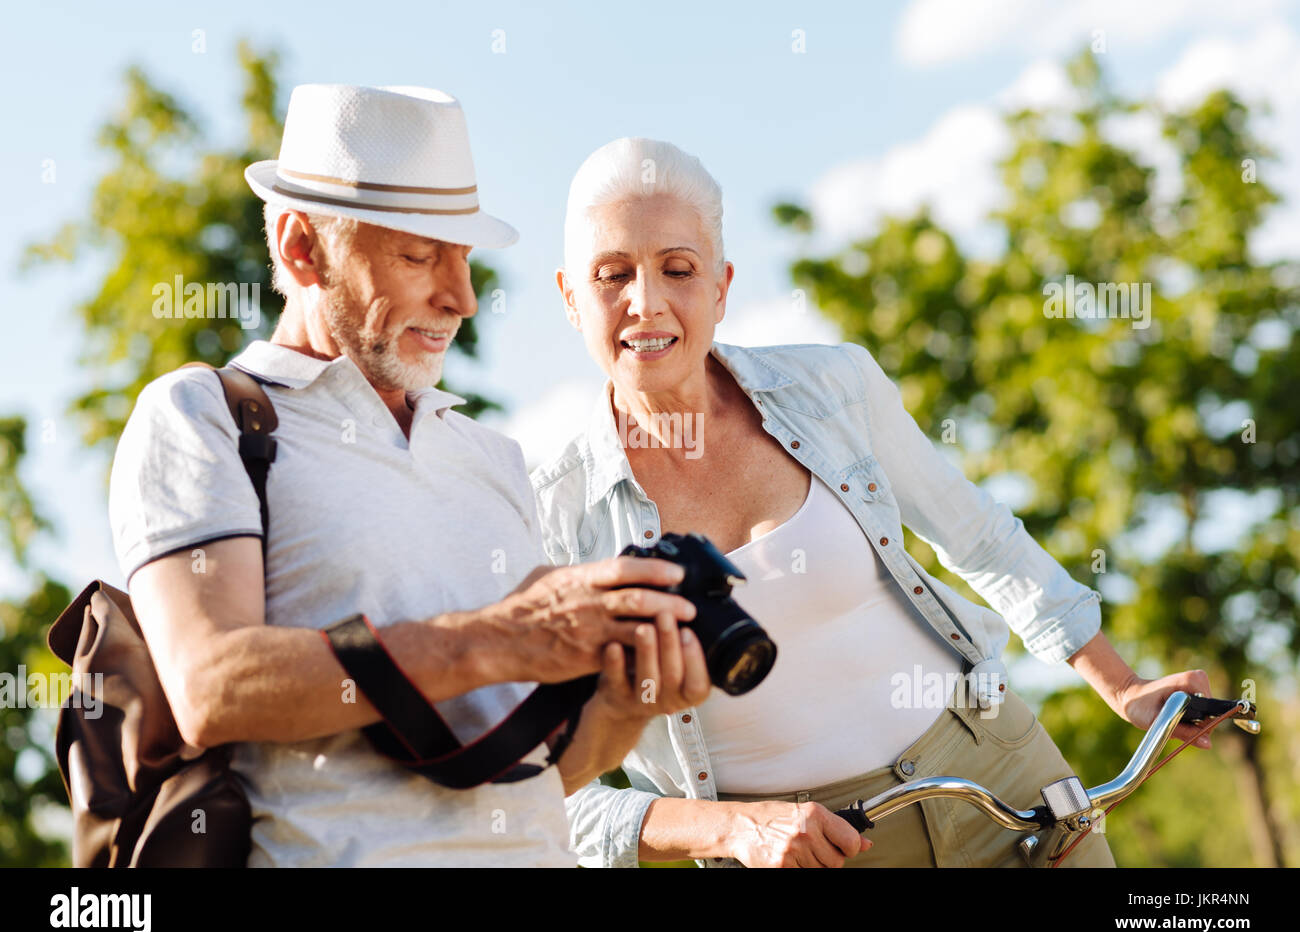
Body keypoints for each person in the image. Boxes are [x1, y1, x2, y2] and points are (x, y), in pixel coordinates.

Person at [529, 137, 1215, 868]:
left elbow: (979, 535)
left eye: (678, 268)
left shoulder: (833, 387)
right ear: (570, 297)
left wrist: (1125, 684)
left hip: (1002, 781)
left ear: (722, 286)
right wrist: (727, 830)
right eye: (612, 275)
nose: (647, 302)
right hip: (815, 854)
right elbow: (540, 787)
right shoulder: (548, 513)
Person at [108, 87, 710, 867]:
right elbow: (210, 687)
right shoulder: (203, 416)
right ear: (302, 248)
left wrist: (622, 711)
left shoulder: (492, 458)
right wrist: (503, 638)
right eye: (420, 254)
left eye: (463, 257)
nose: (460, 297)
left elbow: (537, 772)